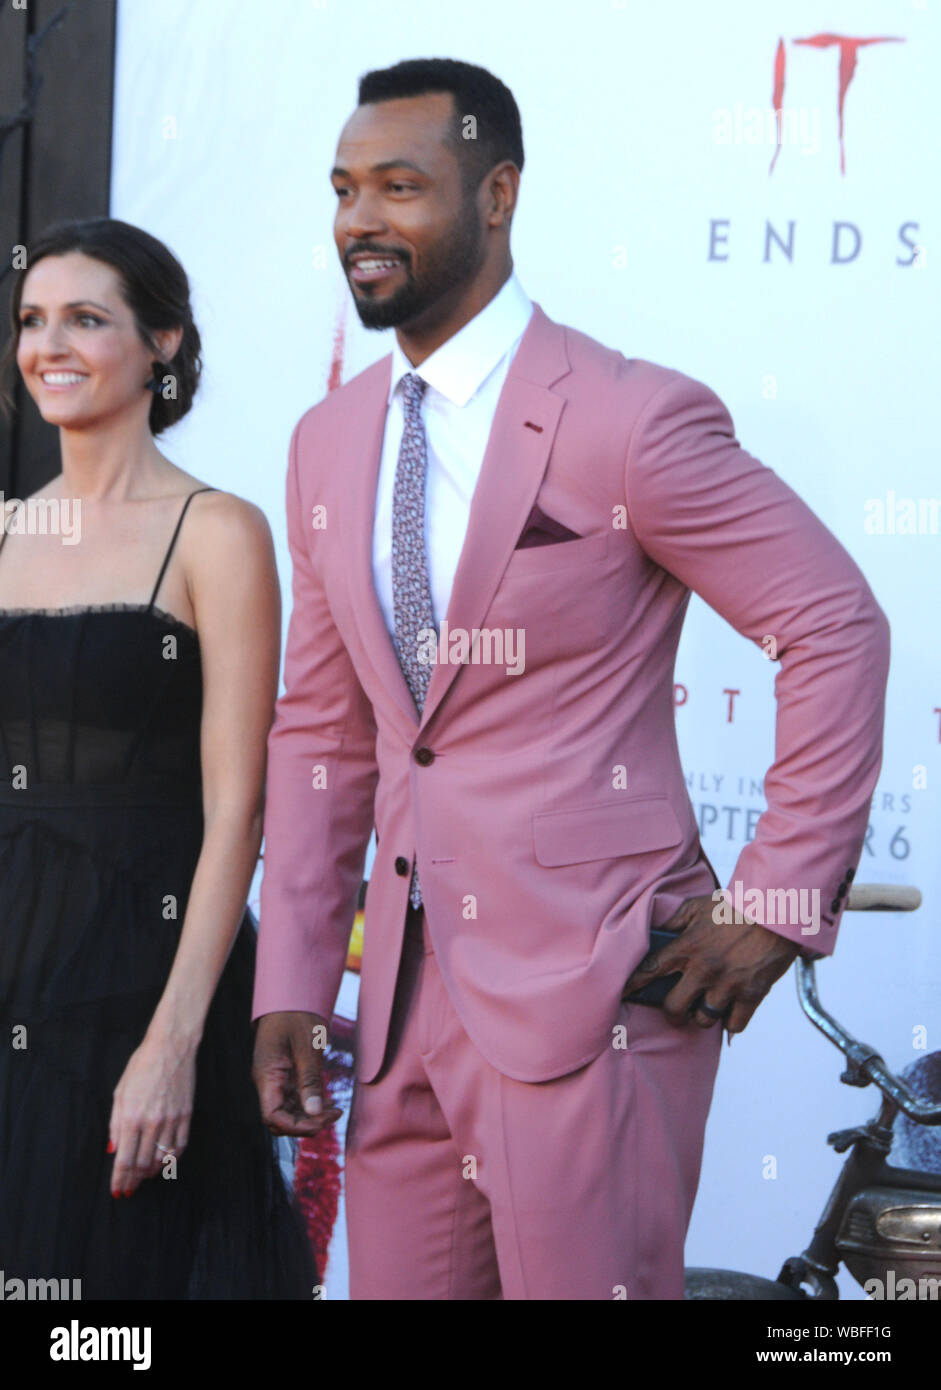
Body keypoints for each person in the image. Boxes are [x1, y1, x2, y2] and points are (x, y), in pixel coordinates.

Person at [251, 59, 890, 1300]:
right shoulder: (325, 441)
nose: (359, 220)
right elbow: (321, 728)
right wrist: (292, 974)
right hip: (395, 1018)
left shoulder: (623, 416)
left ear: (497, 195)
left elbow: (831, 624)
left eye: (399, 185)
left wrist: (775, 898)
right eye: (342, 189)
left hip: (593, 991)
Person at [0, 218, 317, 1298]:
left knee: (128, 1275)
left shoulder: (216, 531)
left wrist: (174, 1041)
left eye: (87, 318)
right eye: (33, 319)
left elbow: (237, 810)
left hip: (148, 966)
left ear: (164, 343)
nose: (50, 344)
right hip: (12, 957)